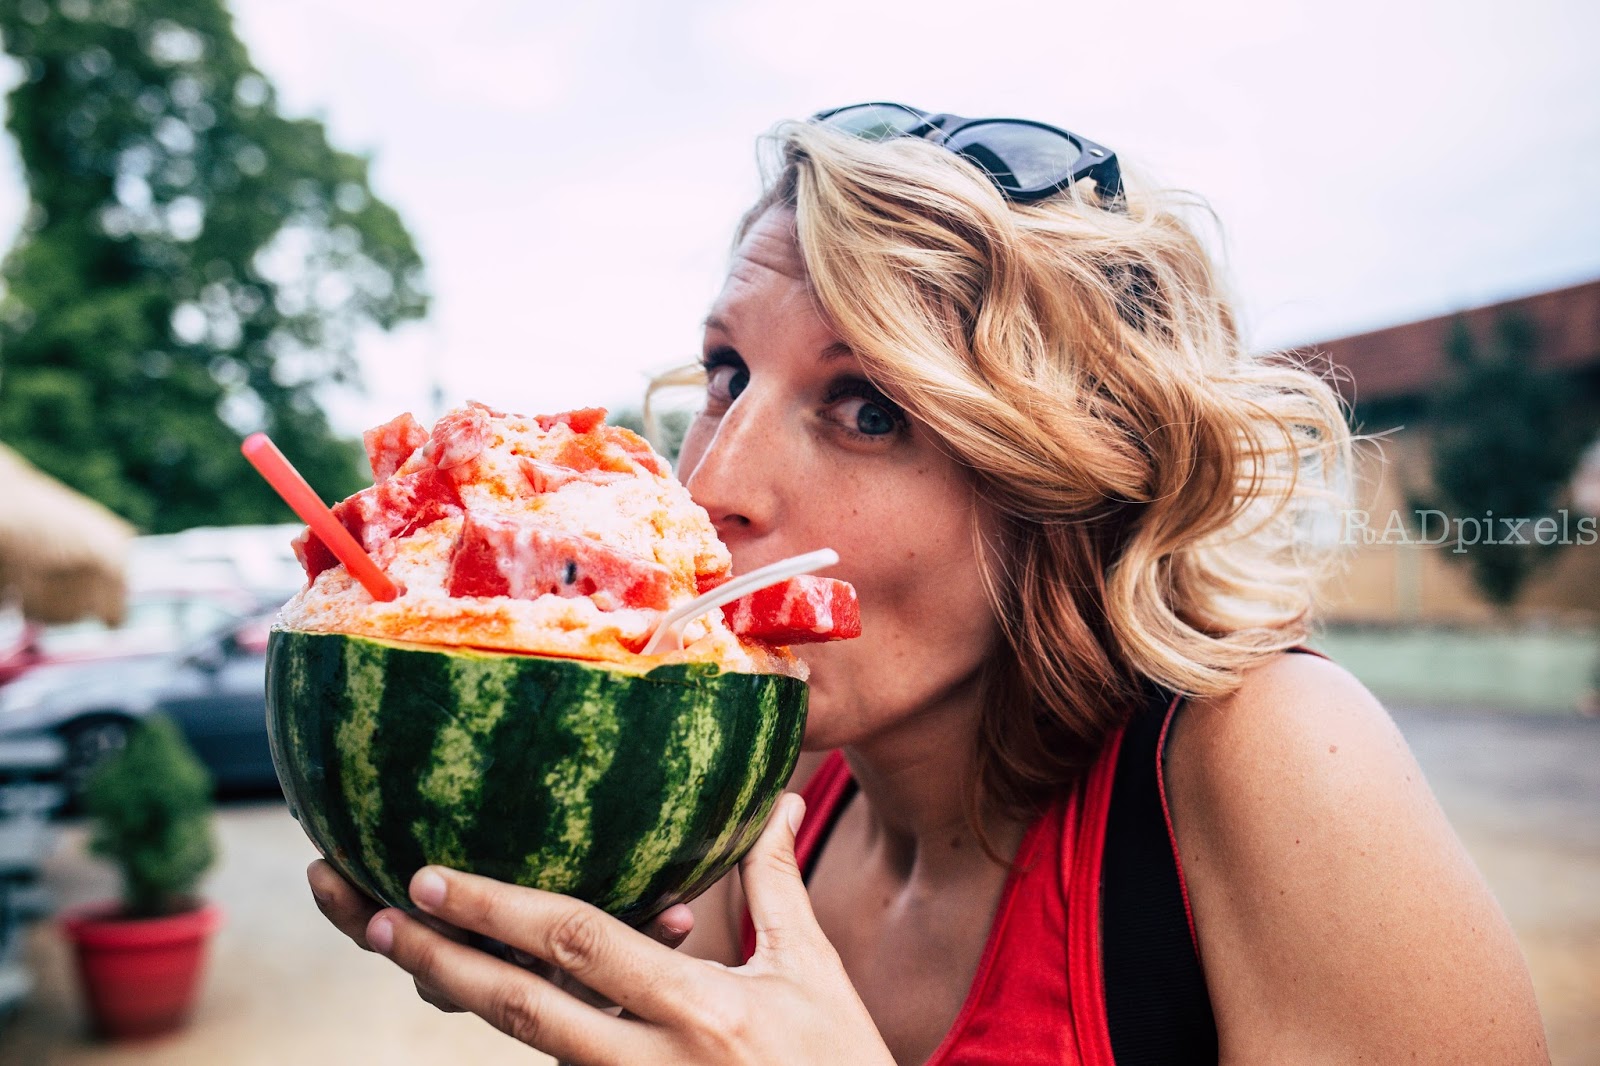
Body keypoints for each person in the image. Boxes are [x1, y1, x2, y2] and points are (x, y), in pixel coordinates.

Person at [308, 104, 1549, 1064]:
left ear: (1066, 478)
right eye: (728, 373)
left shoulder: (1264, 756)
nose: (713, 483)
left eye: (867, 408)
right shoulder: (764, 798)